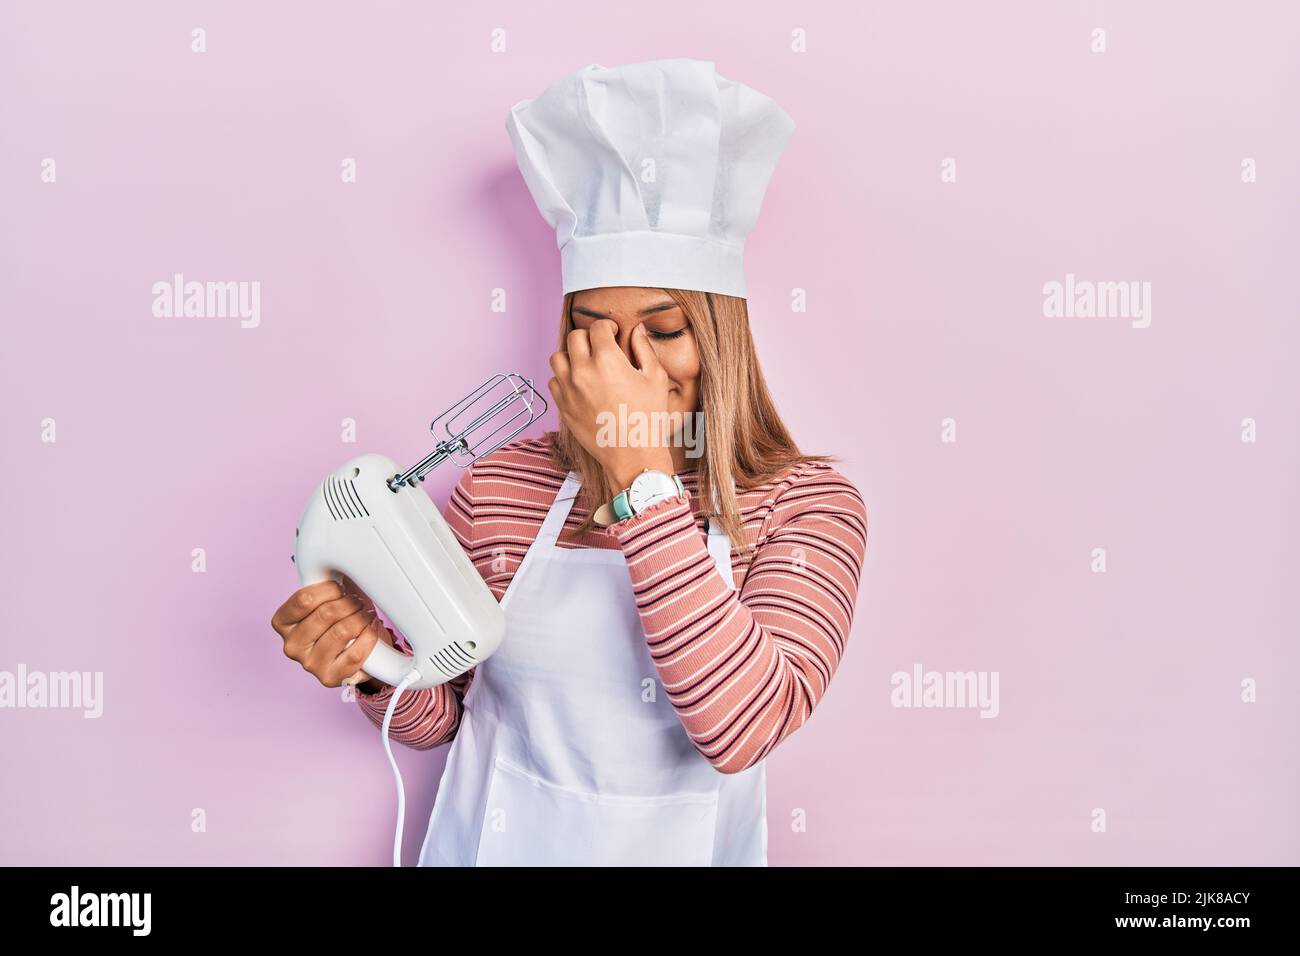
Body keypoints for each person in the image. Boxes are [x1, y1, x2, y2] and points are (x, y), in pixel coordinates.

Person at [270, 58, 868, 866]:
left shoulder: (806, 504)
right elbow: (439, 713)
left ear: (720, 340)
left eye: (662, 331)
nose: (622, 365)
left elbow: (742, 728)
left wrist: (639, 475)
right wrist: (369, 665)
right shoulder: (501, 484)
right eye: (592, 329)